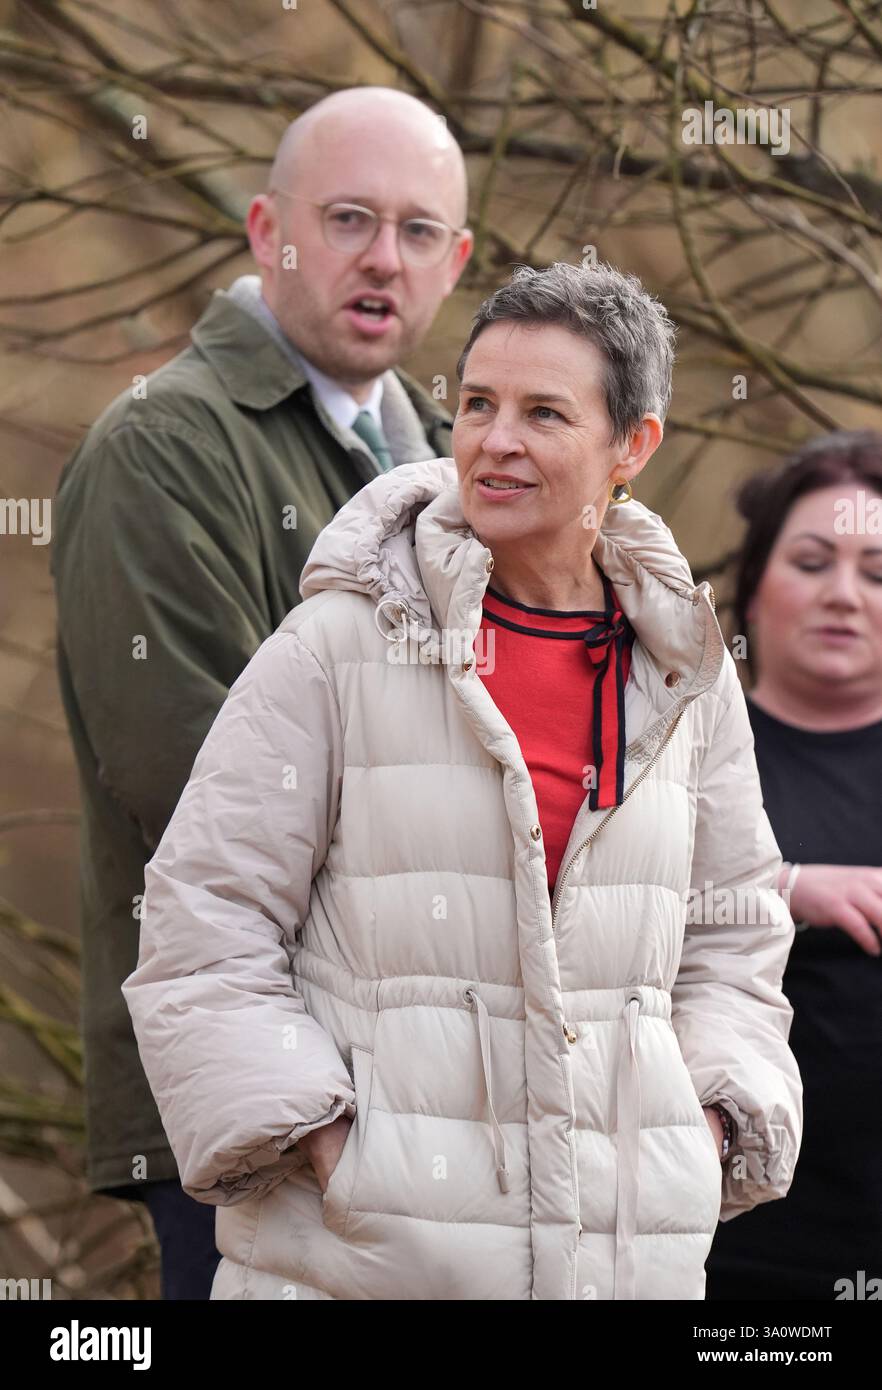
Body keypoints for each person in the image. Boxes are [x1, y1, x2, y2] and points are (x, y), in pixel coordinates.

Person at [122, 261, 802, 1301]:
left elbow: (736, 935)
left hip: (625, 1268)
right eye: (477, 403)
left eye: (543, 413)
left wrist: (701, 1129)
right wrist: (331, 1146)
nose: (494, 440)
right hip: (361, 1271)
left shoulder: (684, 670)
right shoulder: (336, 647)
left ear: (634, 446)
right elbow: (204, 918)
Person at [50, 85, 473, 1299]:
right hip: (247, 1095)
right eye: (347, 219)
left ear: (458, 259)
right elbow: (193, 782)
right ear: (262, 229)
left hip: (433, 1084)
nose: (383, 259)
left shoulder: (446, 459)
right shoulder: (163, 444)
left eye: (419, 230)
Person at [706, 431, 882, 1301]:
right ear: (754, 585)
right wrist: (786, 889)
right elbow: (597, 906)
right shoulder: (688, 753)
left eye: (877, 572)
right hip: (732, 1252)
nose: (844, 595)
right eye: (813, 562)